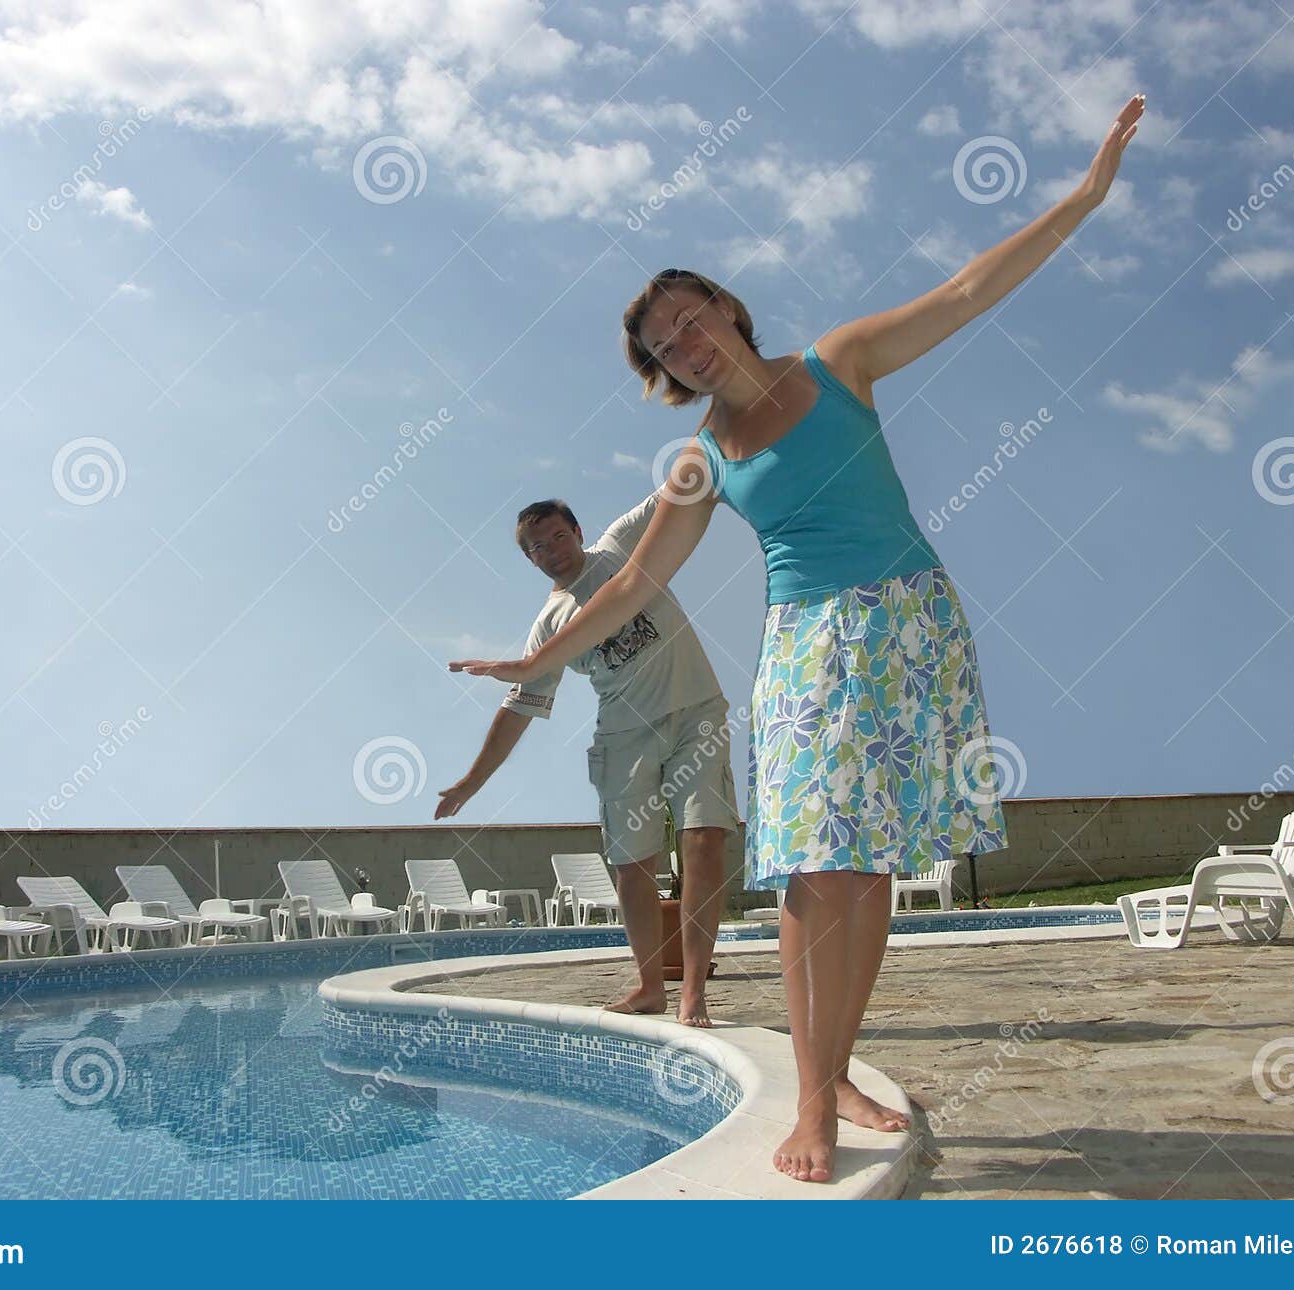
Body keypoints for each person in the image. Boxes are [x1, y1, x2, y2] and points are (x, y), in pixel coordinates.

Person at [450, 93, 1146, 1183]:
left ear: (725, 310)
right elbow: (634, 577)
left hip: (909, 626)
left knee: (858, 873)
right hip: (808, 645)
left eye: (690, 316)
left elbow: (967, 292)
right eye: (662, 343)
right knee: (807, 872)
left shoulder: (839, 363)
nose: (684, 341)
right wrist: (534, 658)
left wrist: (1087, 193)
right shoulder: (699, 458)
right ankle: (817, 1101)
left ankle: (833, 1073)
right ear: (665, 371)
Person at [435, 490, 742, 1026]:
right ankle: (650, 986)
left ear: (577, 532)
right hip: (624, 738)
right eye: (537, 547)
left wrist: (729, 440)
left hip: (697, 713)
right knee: (630, 865)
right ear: (529, 559)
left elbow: (683, 490)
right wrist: (470, 782)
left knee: (704, 839)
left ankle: (693, 990)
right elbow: (518, 712)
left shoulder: (619, 546)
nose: (552, 550)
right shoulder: (550, 625)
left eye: (557, 536)